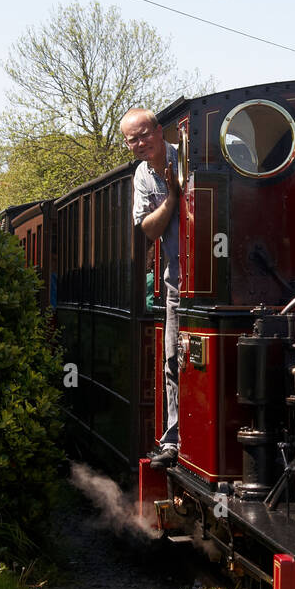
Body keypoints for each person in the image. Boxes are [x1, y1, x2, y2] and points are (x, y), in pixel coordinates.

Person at [120, 107, 181, 468]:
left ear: (159, 131)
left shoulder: (189, 158)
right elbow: (149, 229)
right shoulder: (143, 176)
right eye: (133, 140)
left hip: (212, 279)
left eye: (144, 134)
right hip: (176, 279)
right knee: (172, 360)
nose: (140, 143)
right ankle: (174, 439)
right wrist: (172, 197)